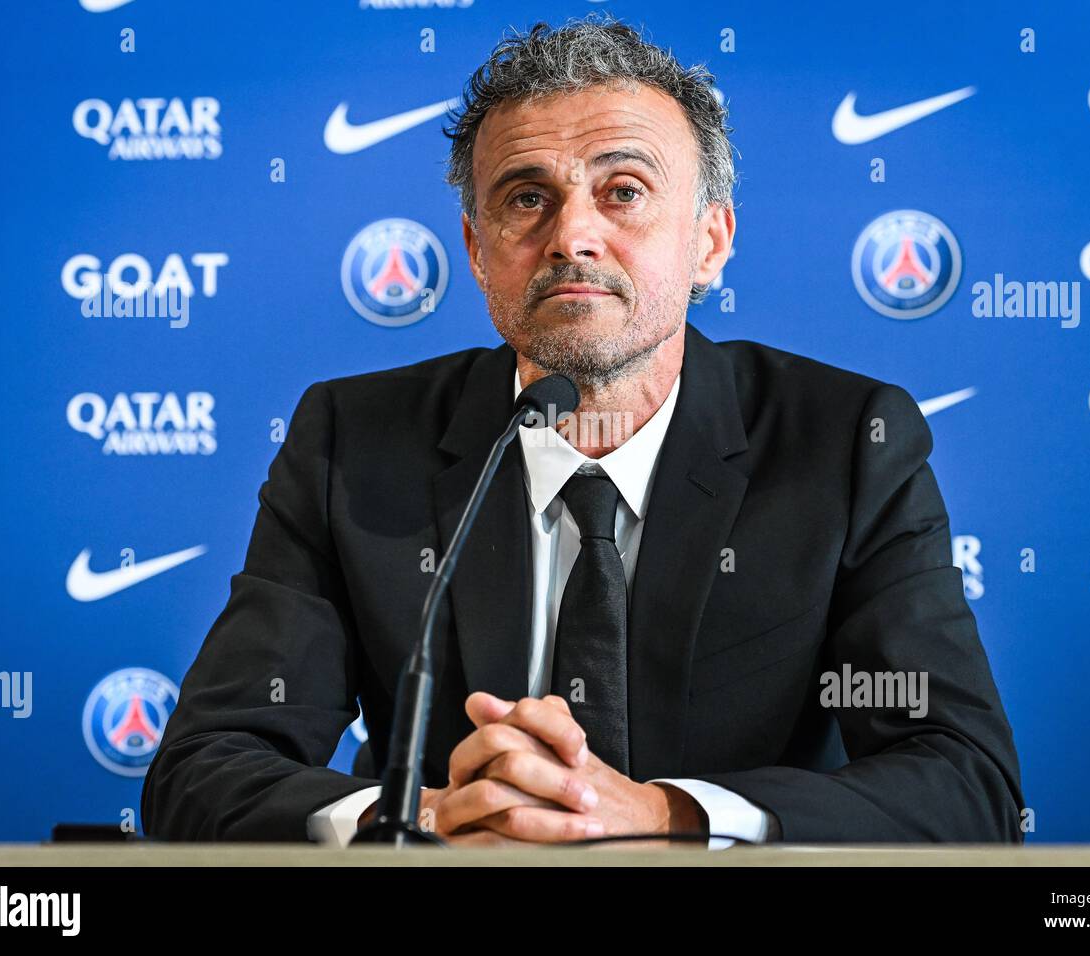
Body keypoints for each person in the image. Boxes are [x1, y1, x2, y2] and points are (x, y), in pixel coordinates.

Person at [141, 15, 1024, 848]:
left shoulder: (844, 443)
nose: (574, 236)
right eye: (528, 197)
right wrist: (423, 818)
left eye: (624, 191)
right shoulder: (352, 442)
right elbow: (203, 770)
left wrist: (666, 815)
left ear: (711, 241)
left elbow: (965, 778)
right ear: (478, 249)